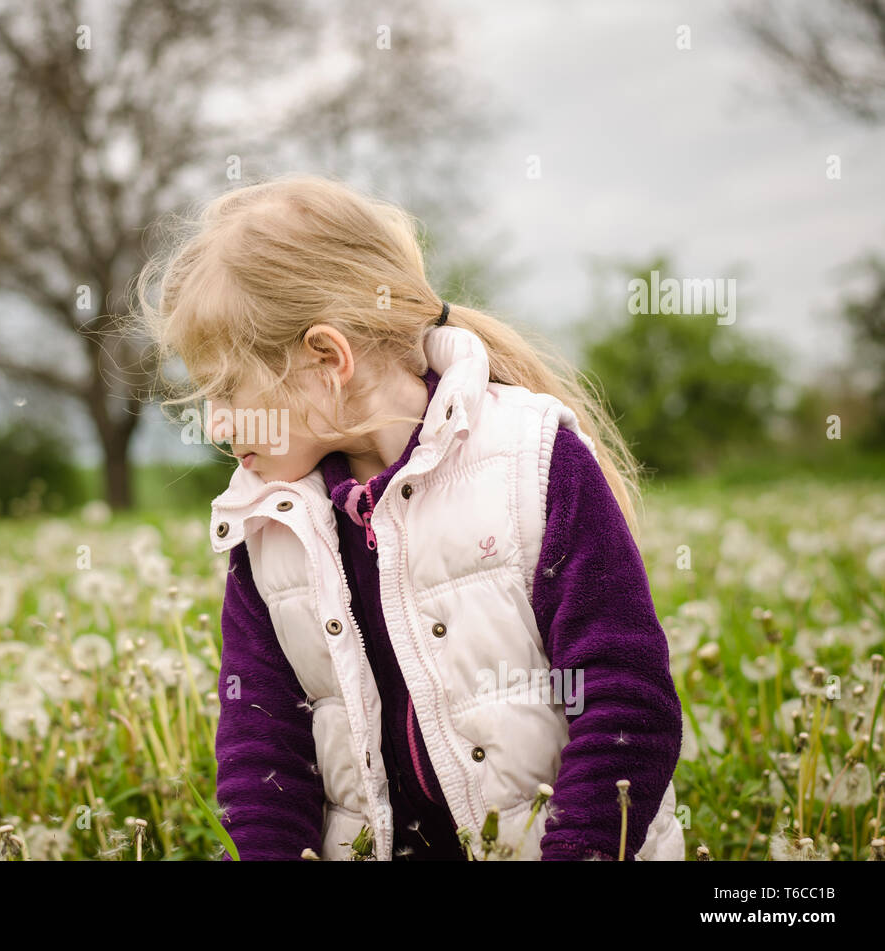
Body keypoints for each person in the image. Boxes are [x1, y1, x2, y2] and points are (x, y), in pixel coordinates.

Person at [131, 173, 685, 861]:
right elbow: (263, 752)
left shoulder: (533, 460)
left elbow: (628, 705)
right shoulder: (269, 528)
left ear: (326, 358)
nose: (214, 423)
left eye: (226, 390)